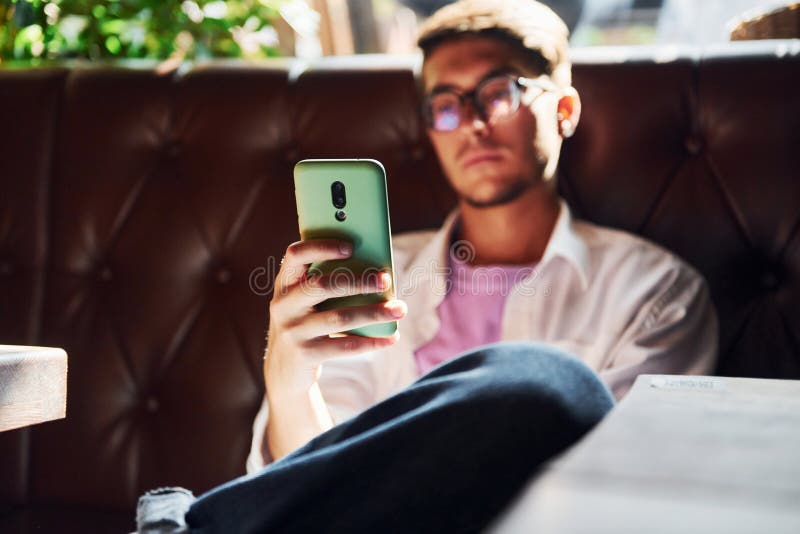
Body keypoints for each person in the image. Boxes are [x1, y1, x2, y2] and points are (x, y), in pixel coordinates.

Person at [136, 0, 717, 532]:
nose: (471, 123)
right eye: (446, 104)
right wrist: (290, 384)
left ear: (563, 110)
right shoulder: (370, 276)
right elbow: (308, 482)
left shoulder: (656, 291)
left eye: (498, 92)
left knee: (549, 382)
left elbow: (615, 495)